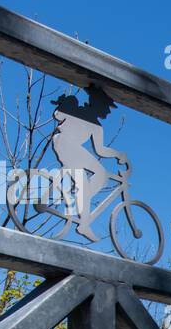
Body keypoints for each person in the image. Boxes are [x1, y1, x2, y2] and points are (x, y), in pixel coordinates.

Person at [50, 86, 126, 241]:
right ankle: (83, 215)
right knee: (92, 178)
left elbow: (101, 150)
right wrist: (65, 104)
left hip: (70, 147)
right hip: (65, 144)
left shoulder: (96, 126)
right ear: (97, 105)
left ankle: (82, 199)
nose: (107, 112)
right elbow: (58, 115)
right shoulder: (80, 112)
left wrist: (118, 154)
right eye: (105, 108)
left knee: (99, 174)